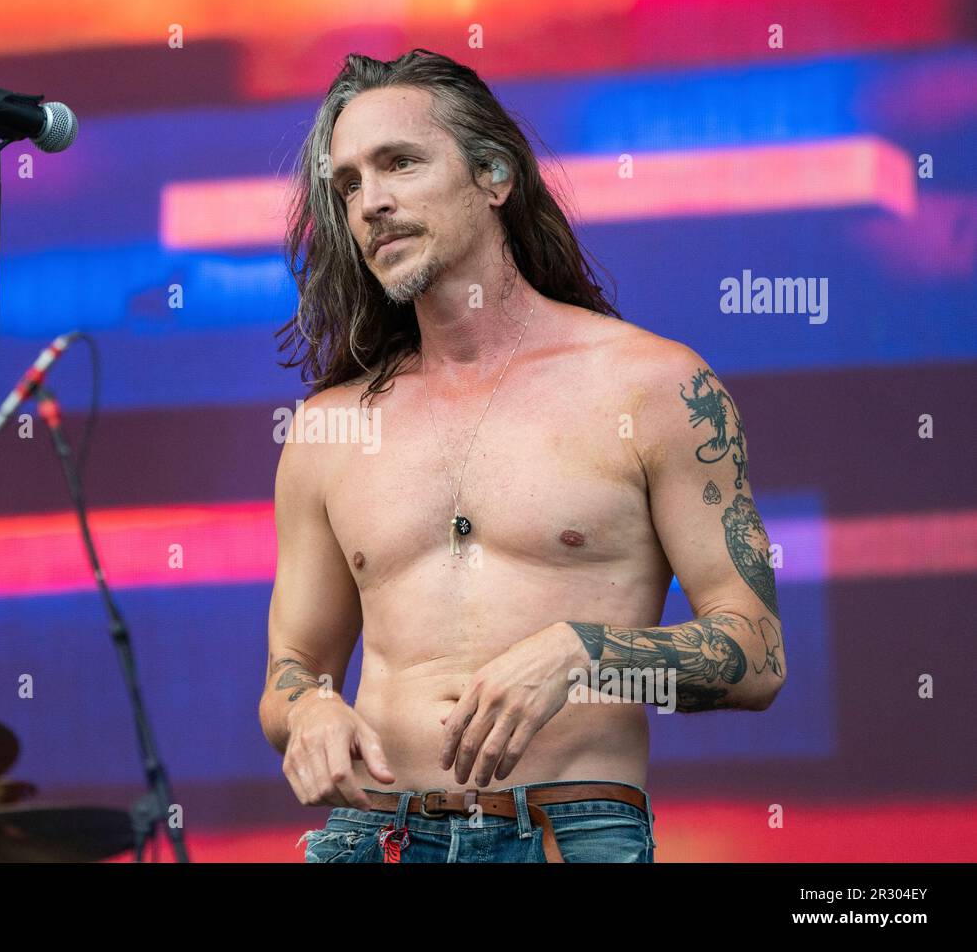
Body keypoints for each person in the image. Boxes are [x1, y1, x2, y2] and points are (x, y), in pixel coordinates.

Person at [259, 48, 785, 863]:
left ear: (494, 175)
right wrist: (310, 711)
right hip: (376, 837)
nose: (372, 203)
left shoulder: (655, 387)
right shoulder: (329, 428)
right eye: (349, 184)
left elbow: (757, 658)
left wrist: (583, 654)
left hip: (565, 835)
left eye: (399, 163)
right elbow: (293, 668)